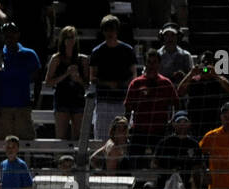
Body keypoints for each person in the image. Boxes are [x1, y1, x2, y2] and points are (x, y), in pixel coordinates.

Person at [124, 50, 178, 168]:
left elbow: (176, 104)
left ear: (159, 64)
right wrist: (126, 128)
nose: (151, 65)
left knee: (163, 163)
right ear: (145, 63)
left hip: (160, 130)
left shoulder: (166, 83)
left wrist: (172, 122)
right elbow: (128, 108)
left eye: (154, 62)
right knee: (134, 163)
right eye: (149, 62)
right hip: (139, 130)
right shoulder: (136, 83)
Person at [90, 14, 138, 143]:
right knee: (101, 138)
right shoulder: (97, 51)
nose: (110, 32)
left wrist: (122, 84)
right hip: (103, 101)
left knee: (122, 139)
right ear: (103, 31)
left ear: (117, 30)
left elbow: (134, 76)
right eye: (107, 29)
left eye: (112, 29)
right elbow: (92, 77)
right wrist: (108, 84)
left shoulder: (127, 50)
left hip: (122, 101)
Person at [152, 111, 202, 189]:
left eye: (185, 121)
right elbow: (154, 164)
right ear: (173, 124)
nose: (182, 124)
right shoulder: (165, 143)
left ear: (189, 124)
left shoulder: (194, 144)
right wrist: (169, 172)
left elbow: (196, 169)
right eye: (179, 122)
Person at [177, 52, 229, 148]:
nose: (206, 66)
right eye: (204, 62)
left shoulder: (217, 80)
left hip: (213, 121)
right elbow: (180, 92)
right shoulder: (194, 79)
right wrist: (191, 74)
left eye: (209, 63)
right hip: (195, 121)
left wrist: (216, 75)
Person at [0, 22, 41, 141]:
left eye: (12, 35)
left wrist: (35, 100)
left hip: (23, 107)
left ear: (18, 35)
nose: (9, 39)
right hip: (2, 109)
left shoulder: (29, 54)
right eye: (6, 36)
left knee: (25, 141)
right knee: (3, 143)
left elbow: (37, 80)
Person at [45, 26, 88, 142]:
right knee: (61, 138)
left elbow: (87, 85)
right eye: (67, 38)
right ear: (62, 40)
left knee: (78, 138)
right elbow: (48, 82)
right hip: (62, 99)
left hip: (78, 100)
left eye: (72, 37)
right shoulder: (56, 59)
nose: (70, 40)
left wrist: (78, 79)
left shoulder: (82, 59)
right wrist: (65, 74)